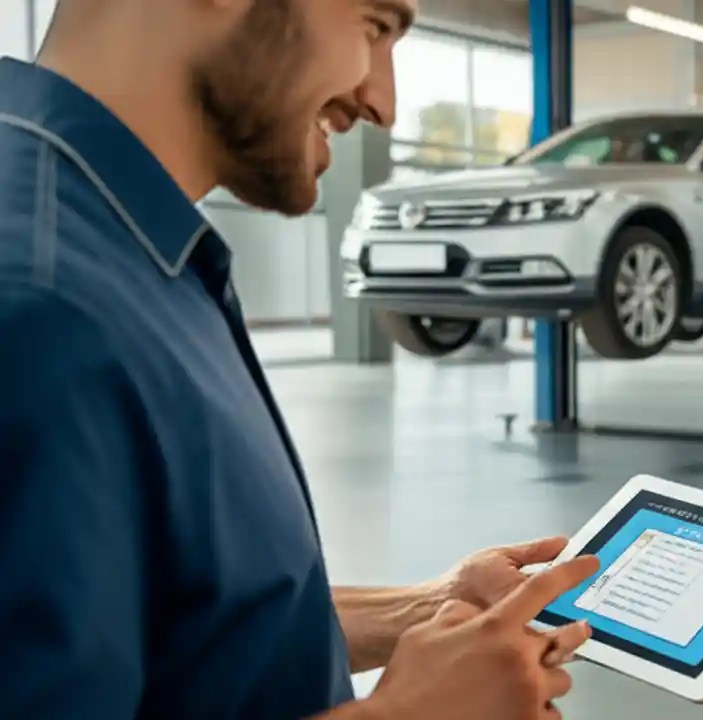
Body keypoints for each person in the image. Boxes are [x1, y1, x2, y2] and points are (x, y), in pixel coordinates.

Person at [0, 1, 598, 718]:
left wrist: (426, 608)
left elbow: (171, 620)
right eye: (374, 26)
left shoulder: (122, 246)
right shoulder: (41, 302)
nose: (383, 101)